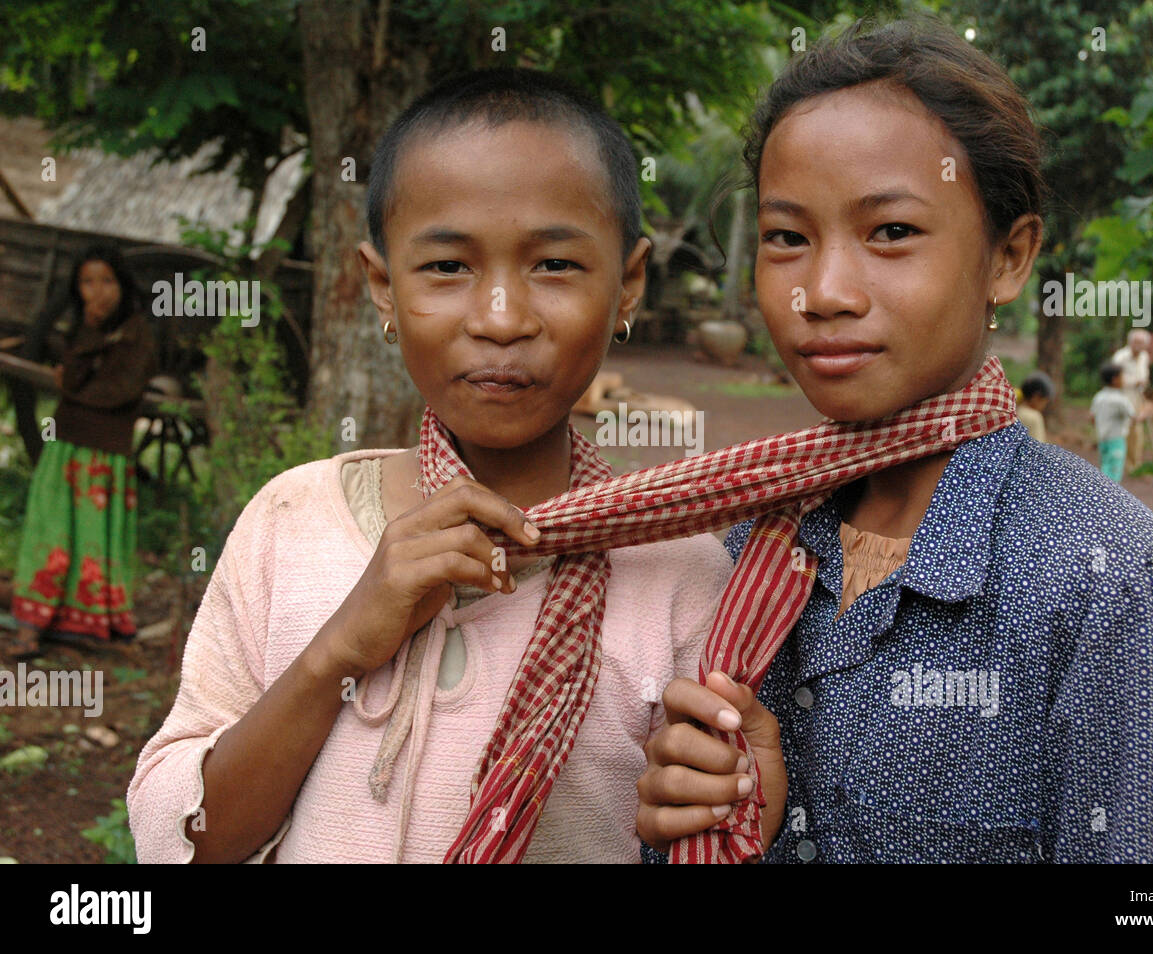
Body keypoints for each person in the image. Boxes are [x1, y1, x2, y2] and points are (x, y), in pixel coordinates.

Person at [635, 15, 1153, 862]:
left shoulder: (1102, 579)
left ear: (1008, 258)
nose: (824, 291)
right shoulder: (733, 555)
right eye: (787, 238)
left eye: (892, 232)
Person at [126, 69, 734, 863]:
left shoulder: (679, 572)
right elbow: (181, 841)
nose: (501, 319)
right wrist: (336, 651)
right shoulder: (293, 520)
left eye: (555, 265)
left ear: (629, 286)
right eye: (448, 268)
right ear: (382, 286)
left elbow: (698, 831)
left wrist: (726, 799)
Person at [4, 245, 157, 660]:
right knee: (51, 534)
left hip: (104, 456)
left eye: (107, 281)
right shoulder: (82, 330)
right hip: (66, 448)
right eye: (88, 283)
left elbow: (117, 390)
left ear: (122, 286)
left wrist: (69, 384)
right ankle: (33, 627)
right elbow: (75, 377)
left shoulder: (138, 333)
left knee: (92, 542)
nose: (98, 293)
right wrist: (76, 367)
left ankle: (85, 625)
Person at [1091, 362, 1136, 483]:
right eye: (1122, 377)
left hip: (1102, 439)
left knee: (1105, 467)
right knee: (1113, 475)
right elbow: (1134, 417)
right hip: (1116, 440)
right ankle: (1107, 498)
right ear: (1115, 379)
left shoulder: (1098, 397)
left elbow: (1092, 417)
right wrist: (1147, 411)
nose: (1124, 380)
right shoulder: (1120, 400)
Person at [1111, 329, 1151, 468]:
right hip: (1121, 400)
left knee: (1137, 434)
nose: (1138, 345)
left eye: (1141, 342)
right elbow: (1114, 379)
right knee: (1122, 432)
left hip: (1137, 400)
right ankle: (1123, 464)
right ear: (1130, 342)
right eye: (1136, 342)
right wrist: (1135, 382)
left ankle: (1135, 464)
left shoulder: (1144, 357)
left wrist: (1143, 384)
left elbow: (1144, 377)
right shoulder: (1120, 357)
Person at [1016, 370, 1053, 443]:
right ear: (1036, 397)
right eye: (1045, 401)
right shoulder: (1034, 417)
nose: (1045, 405)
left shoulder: (1015, 410)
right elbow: (1038, 449)